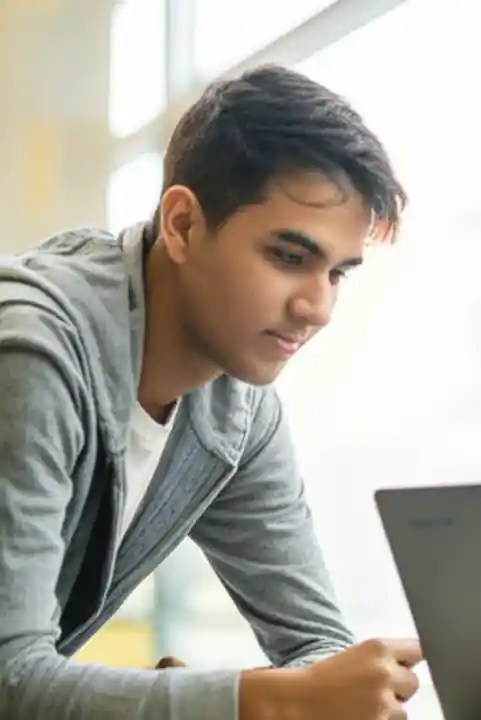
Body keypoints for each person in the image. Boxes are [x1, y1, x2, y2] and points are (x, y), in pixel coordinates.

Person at [0, 65, 423, 719]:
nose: (317, 307)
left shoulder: (237, 408)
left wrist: (341, 691)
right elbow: (10, 679)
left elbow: (315, 648)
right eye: (288, 256)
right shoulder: (33, 352)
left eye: (338, 272)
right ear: (183, 224)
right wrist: (265, 702)